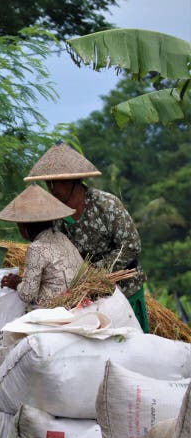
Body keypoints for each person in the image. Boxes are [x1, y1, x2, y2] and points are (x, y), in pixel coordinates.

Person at [25, 141, 149, 331]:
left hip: (124, 287)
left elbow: (131, 245)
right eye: (48, 182)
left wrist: (96, 271)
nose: (53, 188)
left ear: (75, 181)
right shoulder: (55, 215)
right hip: (87, 295)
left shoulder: (105, 204)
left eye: (59, 182)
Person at [0, 183, 84, 310]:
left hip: (58, 307)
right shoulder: (61, 237)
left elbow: (27, 295)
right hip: (77, 299)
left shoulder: (36, 248)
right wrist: (22, 282)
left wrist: (16, 284)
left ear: (23, 226)